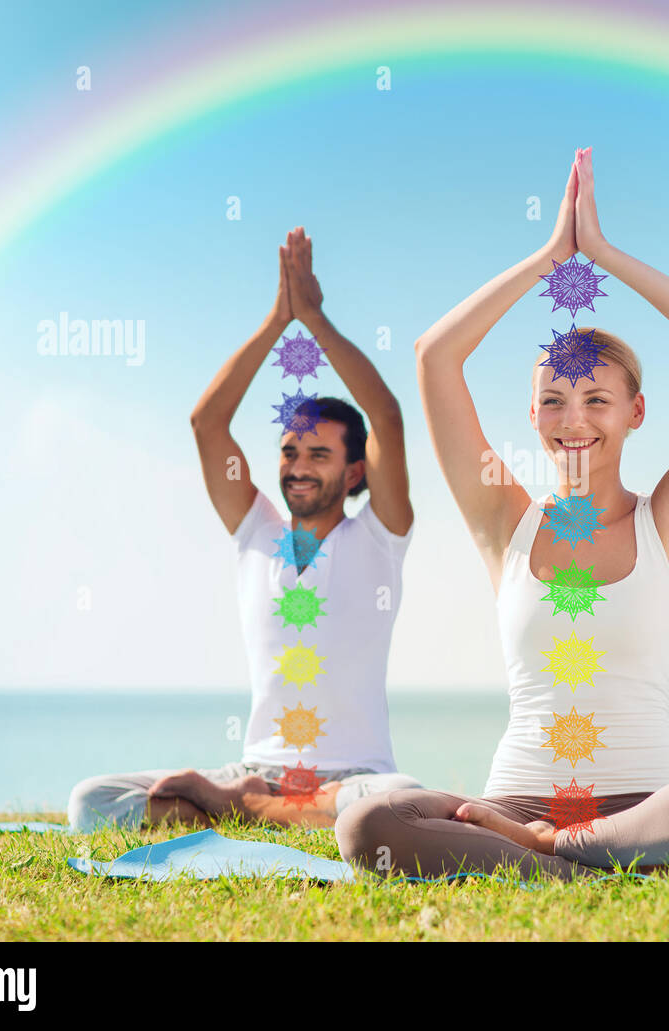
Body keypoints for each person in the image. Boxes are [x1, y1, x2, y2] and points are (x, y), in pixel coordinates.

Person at [335, 149, 669, 880]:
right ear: (532, 414)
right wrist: (549, 256)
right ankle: (608, 869)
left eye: (596, 400)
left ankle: (567, 860)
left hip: (649, 807)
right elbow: (436, 356)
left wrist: (602, 254)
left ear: (635, 413)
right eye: (554, 400)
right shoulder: (507, 519)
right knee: (368, 821)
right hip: (516, 806)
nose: (573, 420)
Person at [67, 227, 422, 832]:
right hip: (256, 767)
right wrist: (277, 320)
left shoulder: (380, 537)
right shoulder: (256, 529)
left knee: (399, 802)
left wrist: (315, 319)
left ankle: (241, 812)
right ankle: (258, 805)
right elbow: (207, 423)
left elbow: (386, 415)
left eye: (318, 453)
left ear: (356, 469)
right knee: (91, 801)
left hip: (355, 775)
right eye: (288, 452)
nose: (298, 466)